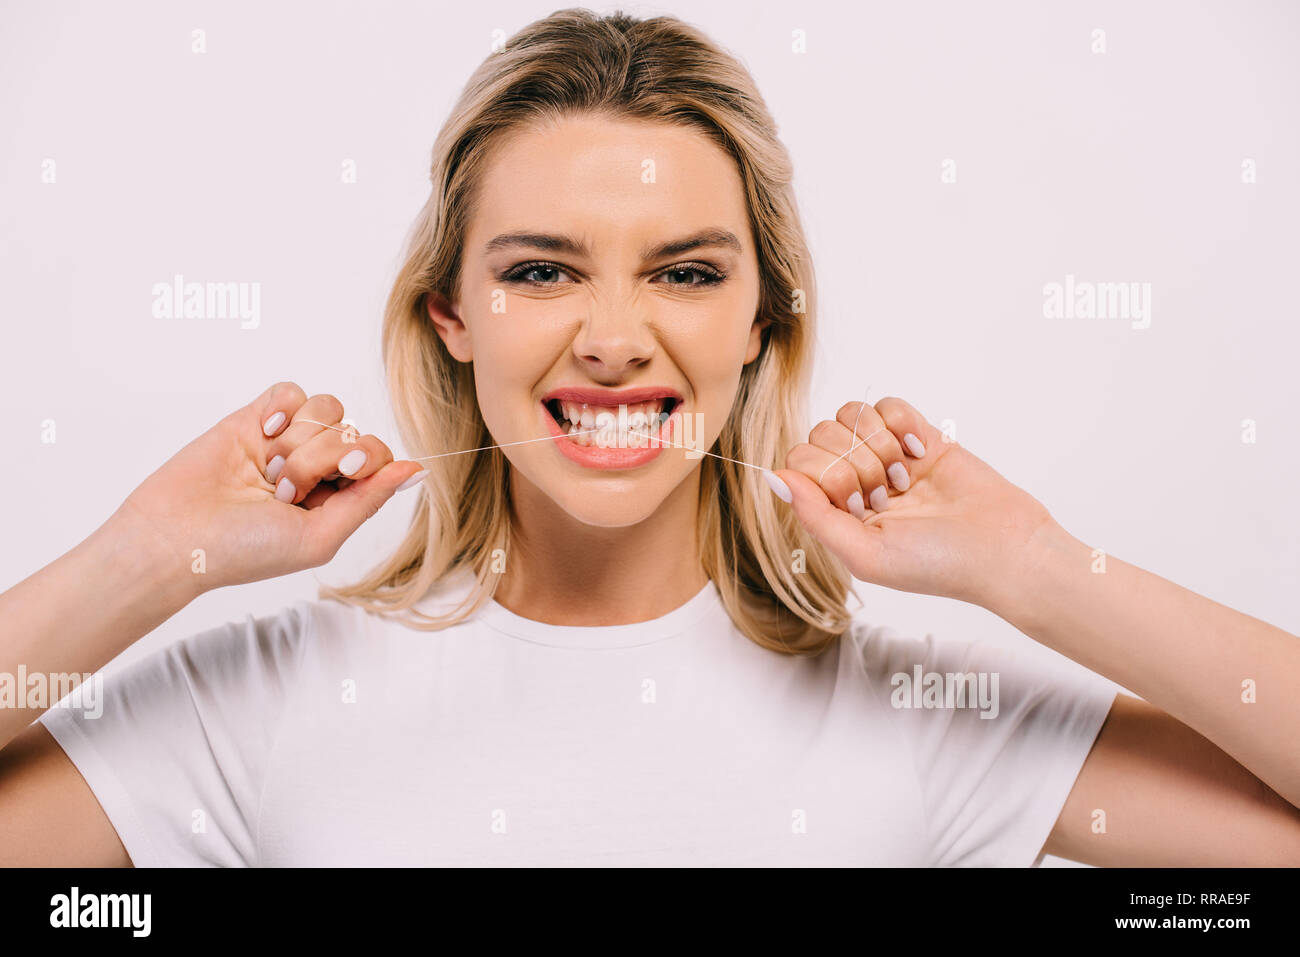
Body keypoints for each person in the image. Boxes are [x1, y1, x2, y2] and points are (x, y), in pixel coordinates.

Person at [1, 8, 1297, 867]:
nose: (614, 337)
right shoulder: (260, 702)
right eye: (544, 271)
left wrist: (1038, 570)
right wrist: (147, 555)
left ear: (760, 322)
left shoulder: (921, 719)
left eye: (683, 272)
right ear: (452, 313)